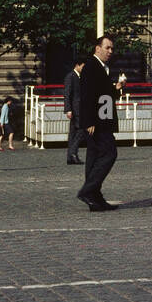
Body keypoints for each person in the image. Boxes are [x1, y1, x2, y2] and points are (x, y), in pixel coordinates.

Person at [78, 35, 124, 211]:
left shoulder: (103, 67)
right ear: (97, 48)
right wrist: (89, 120)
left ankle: (95, 199)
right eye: (108, 48)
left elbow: (102, 93)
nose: (110, 51)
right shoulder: (92, 66)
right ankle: (88, 191)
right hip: (96, 122)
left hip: (102, 119)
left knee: (94, 158)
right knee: (109, 153)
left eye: (112, 48)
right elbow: (87, 94)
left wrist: (116, 89)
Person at [63, 60, 85, 164]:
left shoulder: (79, 77)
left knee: (73, 133)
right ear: (77, 65)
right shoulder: (70, 76)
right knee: (81, 129)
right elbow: (67, 94)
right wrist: (68, 109)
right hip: (75, 109)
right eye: (83, 66)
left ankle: (70, 157)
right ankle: (73, 152)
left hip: (79, 108)